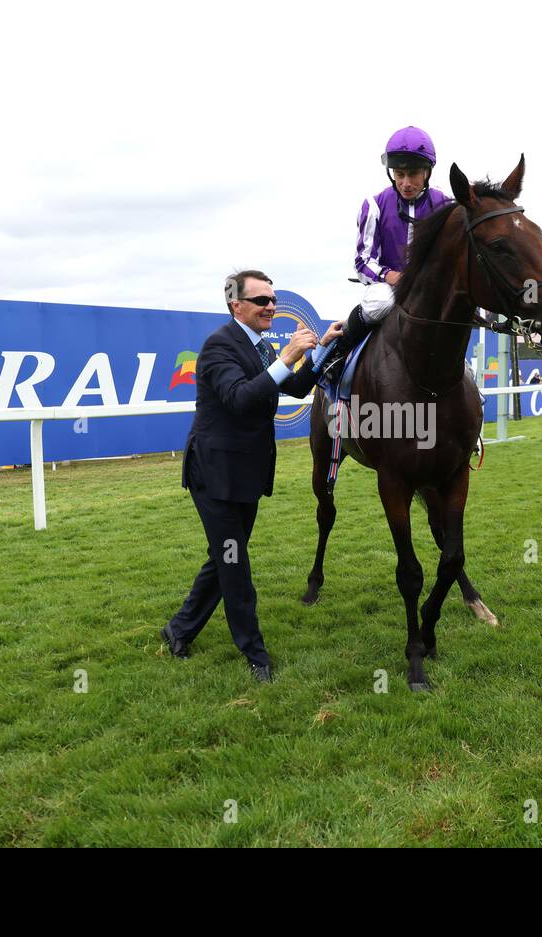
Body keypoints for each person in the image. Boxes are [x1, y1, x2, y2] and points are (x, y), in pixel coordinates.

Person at [162, 270, 320, 683]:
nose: (272, 306)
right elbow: (239, 399)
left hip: (245, 472)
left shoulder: (261, 345)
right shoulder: (218, 346)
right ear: (237, 306)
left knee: (224, 556)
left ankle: (179, 629)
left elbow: (298, 389)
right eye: (262, 301)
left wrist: (322, 352)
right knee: (235, 562)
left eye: (273, 300)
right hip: (213, 474)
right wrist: (287, 359)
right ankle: (255, 655)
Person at [316, 126, 451, 384]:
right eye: (399, 174)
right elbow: (363, 262)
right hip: (386, 286)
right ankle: (339, 353)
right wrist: (391, 276)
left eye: (413, 174)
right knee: (379, 304)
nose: (406, 183)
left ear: (427, 172)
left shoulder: (444, 205)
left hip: (429, 287)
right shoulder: (375, 204)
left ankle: (463, 377)